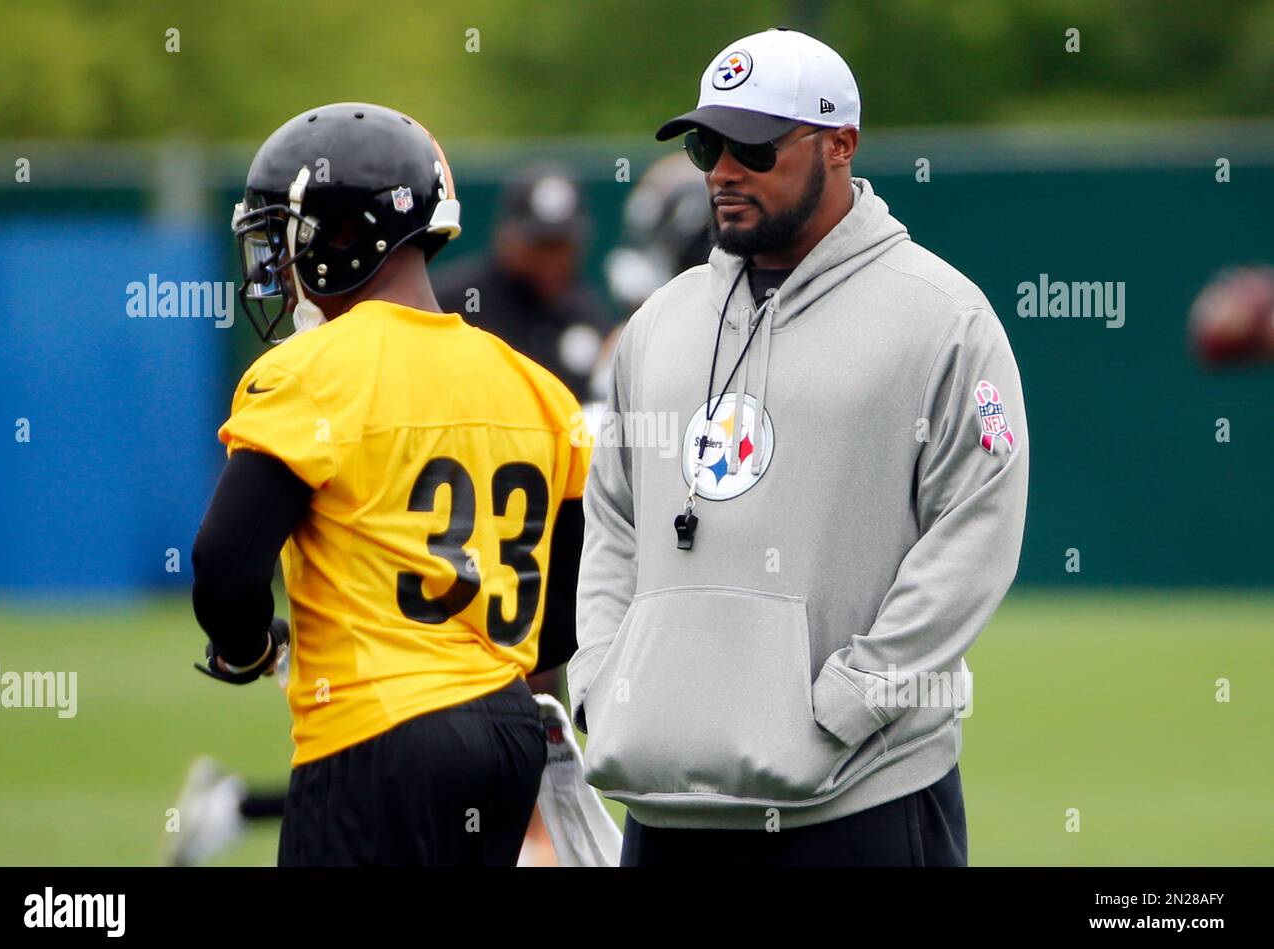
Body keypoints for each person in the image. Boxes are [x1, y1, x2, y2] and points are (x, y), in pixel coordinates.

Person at [567, 28, 1029, 866]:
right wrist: (603, 683)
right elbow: (614, 525)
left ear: (840, 144)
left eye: (753, 145)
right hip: (668, 810)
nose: (721, 170)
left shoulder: (942, 316)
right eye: (708, 144)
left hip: (862, 800)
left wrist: (846, 704)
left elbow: (975, 533)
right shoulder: (659, 324)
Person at [190, 102, 589, 866]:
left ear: (345, 236)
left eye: (287, 235)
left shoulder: (311, 372)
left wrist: (243, 649)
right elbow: (556, 626)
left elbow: (225, 566)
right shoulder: (539, 390)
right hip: (508, 739)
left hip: (377, 734)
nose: (276, 263)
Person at [433, 165, 615, 401]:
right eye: (539, 244)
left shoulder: (586, 311)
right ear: (507, 235)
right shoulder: (455, 300)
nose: (551, 259)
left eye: (561, 244)